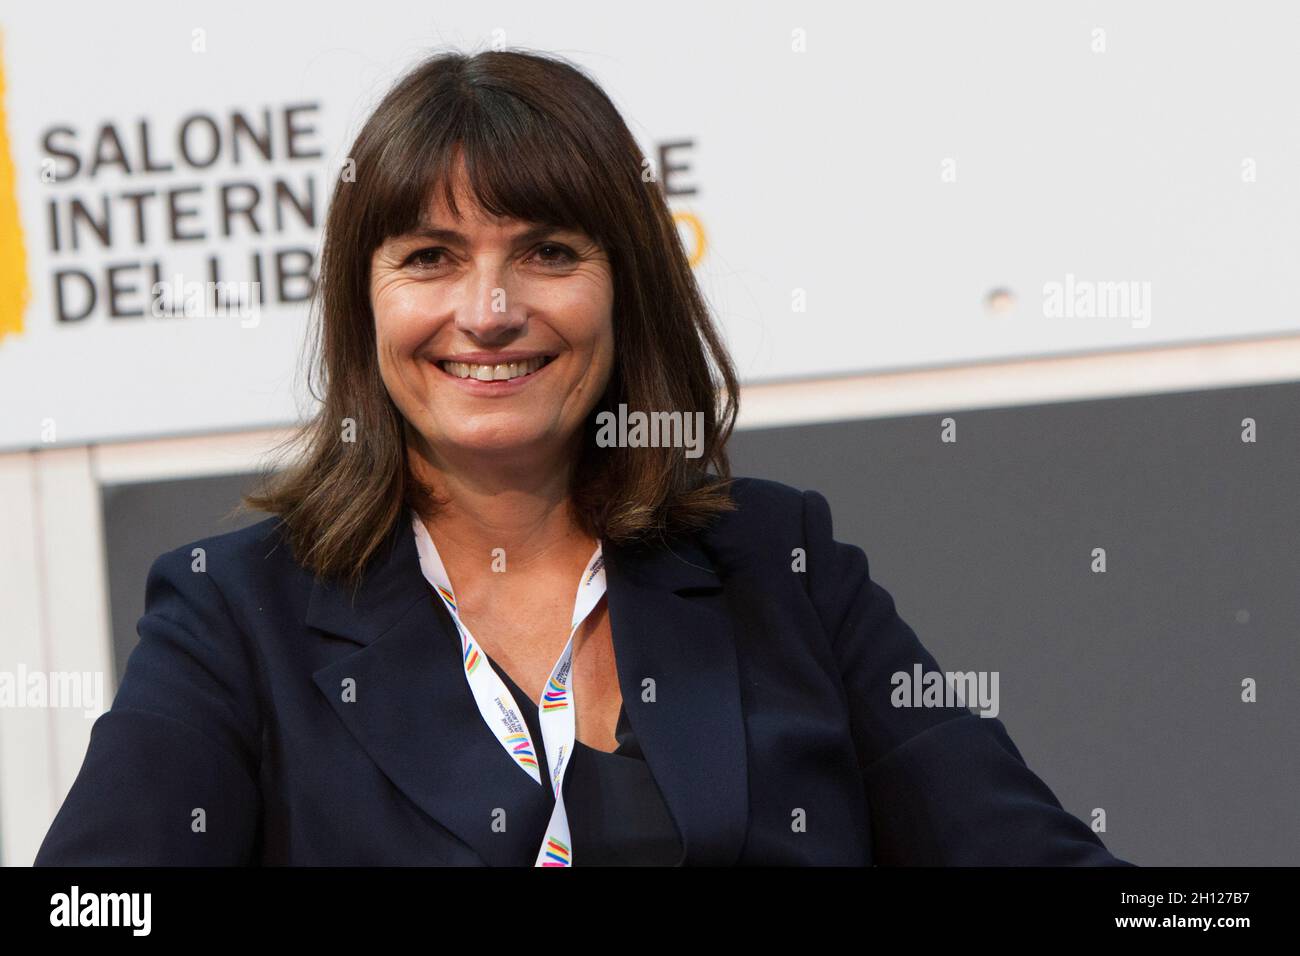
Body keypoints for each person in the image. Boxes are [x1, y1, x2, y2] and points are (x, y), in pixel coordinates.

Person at [35, 48, 1133, 867]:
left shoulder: (780, 561)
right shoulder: (234, 614)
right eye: (430, 257)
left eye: (547, 252)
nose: (490, 309)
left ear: (627, 286)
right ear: (362, 305)